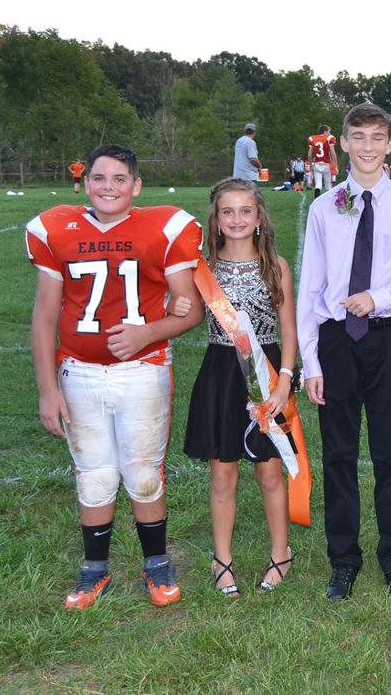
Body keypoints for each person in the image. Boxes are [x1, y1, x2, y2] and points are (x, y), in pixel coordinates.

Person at [25, 144, 204, 609]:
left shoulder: (163, 227)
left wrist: (149, 332)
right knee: (94, 475)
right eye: (100, 178)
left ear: (136, 185)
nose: (109, 187)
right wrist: (48, 390)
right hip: (79, 372)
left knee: (143, 472)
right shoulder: (56, 228)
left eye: (120, 179)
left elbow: (192, 309)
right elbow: (45, 316)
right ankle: (94, 569)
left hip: (141, 370)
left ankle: (157, 563)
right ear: (86, 183)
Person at [296, 102, 391, 600]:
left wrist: (379, 297)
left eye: (377, 137)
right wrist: (309, 362)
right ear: (342, 143)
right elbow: (310, 288)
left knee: (390, 454)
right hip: (337, 341)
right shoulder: (323, 207)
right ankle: (343, 560)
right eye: (358, 137)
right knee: (338, 454)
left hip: (387, 337)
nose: (367, 147)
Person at [175, 178, 299, 597]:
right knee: (222, 475)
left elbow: (289, 329)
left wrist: (284, 381)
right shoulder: (202, 269)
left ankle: (281, 553)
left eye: (245, 211)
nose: (237, 219)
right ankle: (221, 559)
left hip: (266, 375)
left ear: (260, 216)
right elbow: (181, 310)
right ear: (216, 218)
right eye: (227, 212)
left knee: (269, 472)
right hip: (220, 376)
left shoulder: (276, 266)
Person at [308, 124, 338, 197]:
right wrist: (336, 165)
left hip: (317, 164)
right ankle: (329, 203)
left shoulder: (313, 138)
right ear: (325, 131)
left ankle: (316, 202)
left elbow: (309, 155)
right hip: (327, 164)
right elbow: (333, 153)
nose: (329, 133)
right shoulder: (329, 138)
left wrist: (311, 166)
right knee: (328, 185)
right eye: (328, 131)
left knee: (318, 185)